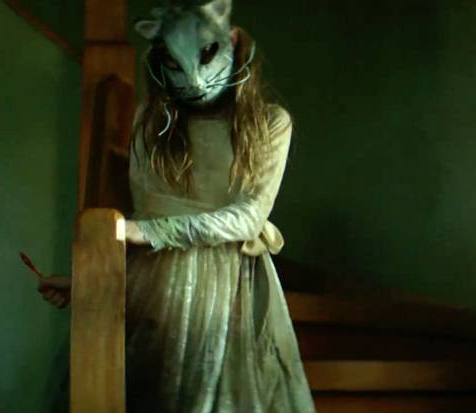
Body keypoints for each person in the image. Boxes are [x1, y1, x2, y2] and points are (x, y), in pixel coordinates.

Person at [37, 0, 315, 411]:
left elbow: (247, 217)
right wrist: (90, 280)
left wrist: (147, 231)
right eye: (174, 62)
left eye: (207, 53)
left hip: (227, 288)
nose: (196, 81)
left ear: (232, 40)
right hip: (153, 284)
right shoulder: (150, 121)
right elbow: (145, 214)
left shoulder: (272, 122)